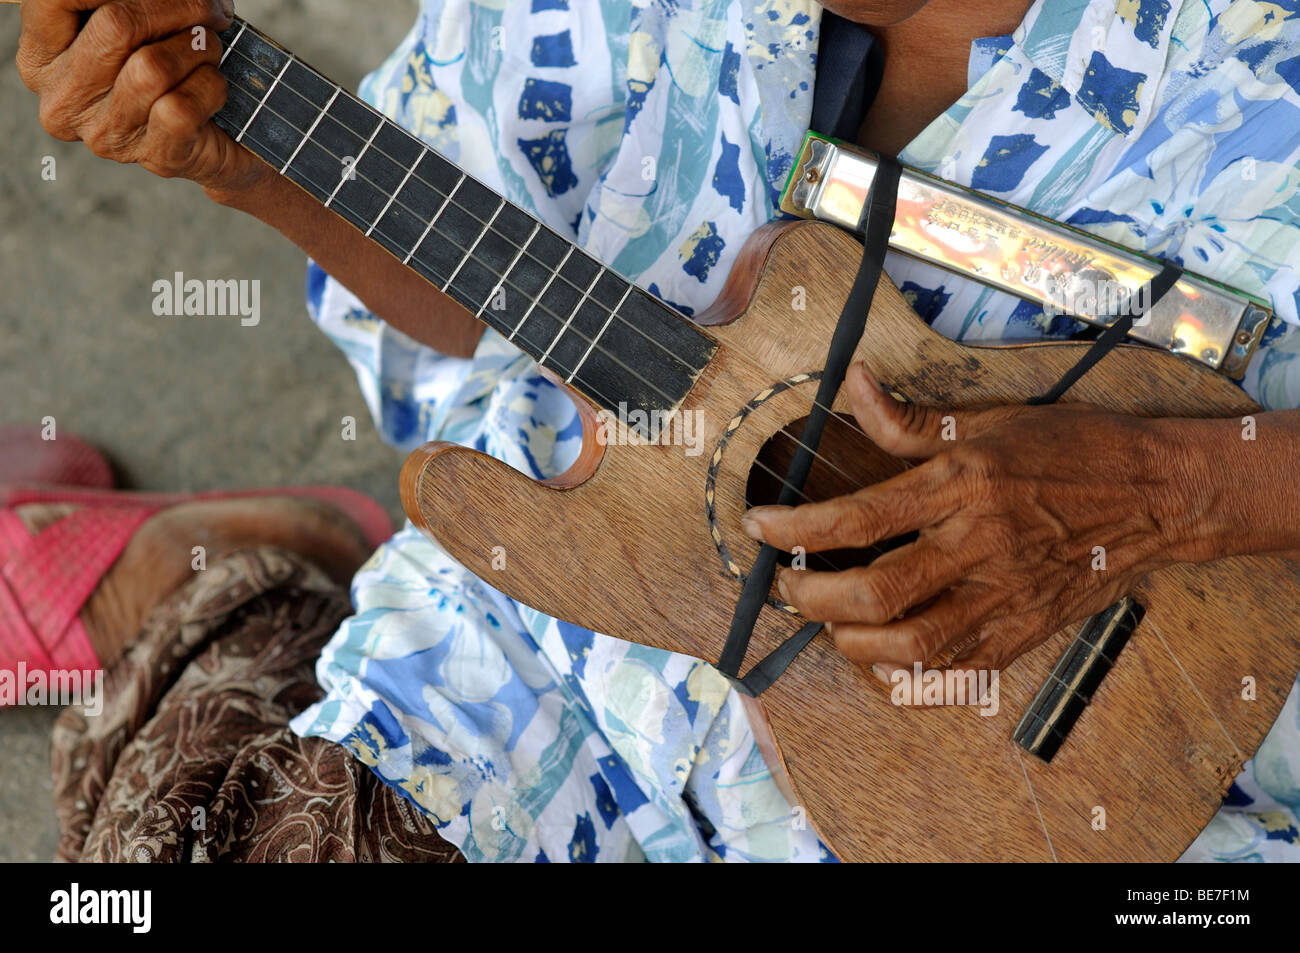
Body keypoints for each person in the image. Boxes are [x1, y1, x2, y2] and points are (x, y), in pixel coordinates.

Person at [13, 0, 1300, 861]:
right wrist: (238, 151)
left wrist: (1168, 484)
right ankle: (246, 592)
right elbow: (493, 271)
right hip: (550, 664)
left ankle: (233, 600)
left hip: (1110, 786)